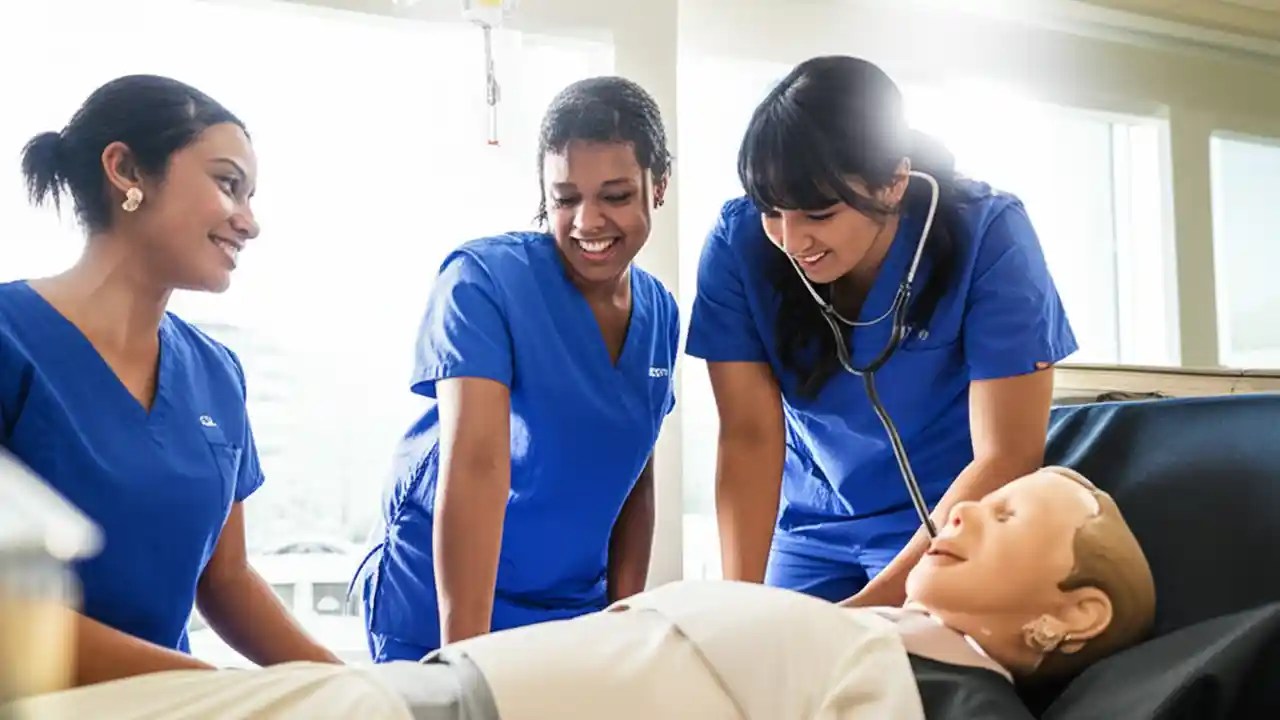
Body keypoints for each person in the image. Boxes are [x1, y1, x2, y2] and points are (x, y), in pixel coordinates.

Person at [6, 466, 1157, 719]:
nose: (956, 511)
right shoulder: (880, 634)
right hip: (423, 694)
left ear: (1072, 615)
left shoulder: (954, 701)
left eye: (1004, 516)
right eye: (969, 501)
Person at [685, 55, 1078, 607]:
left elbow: (1007, 455)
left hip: (947, 512)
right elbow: (749, 435)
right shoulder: (738, 244)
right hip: (814, 521)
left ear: (893, 183)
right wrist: (740, 611)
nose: (792, 240)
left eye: (818, 214)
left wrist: (864, 614)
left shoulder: (988, 234)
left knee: (912, 673)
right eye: (773, 210)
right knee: (766, 671)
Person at [0, 74, 340, 686]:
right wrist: (208, 689)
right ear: (126, 170)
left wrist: (359, 688)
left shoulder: (216, 373)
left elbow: (227, 579)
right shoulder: (9, 340)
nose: (250, 222)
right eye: (228, 185)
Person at [353, 75, 679, 662]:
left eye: (615, 195)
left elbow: (636, 477)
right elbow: (476, 464)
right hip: (443, 602)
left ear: (658, 187)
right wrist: (464, 662)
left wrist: (627, 629)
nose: (588, 221)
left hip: (570, 606)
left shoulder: (660, 312)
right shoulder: (481, 281)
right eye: (566, 198)